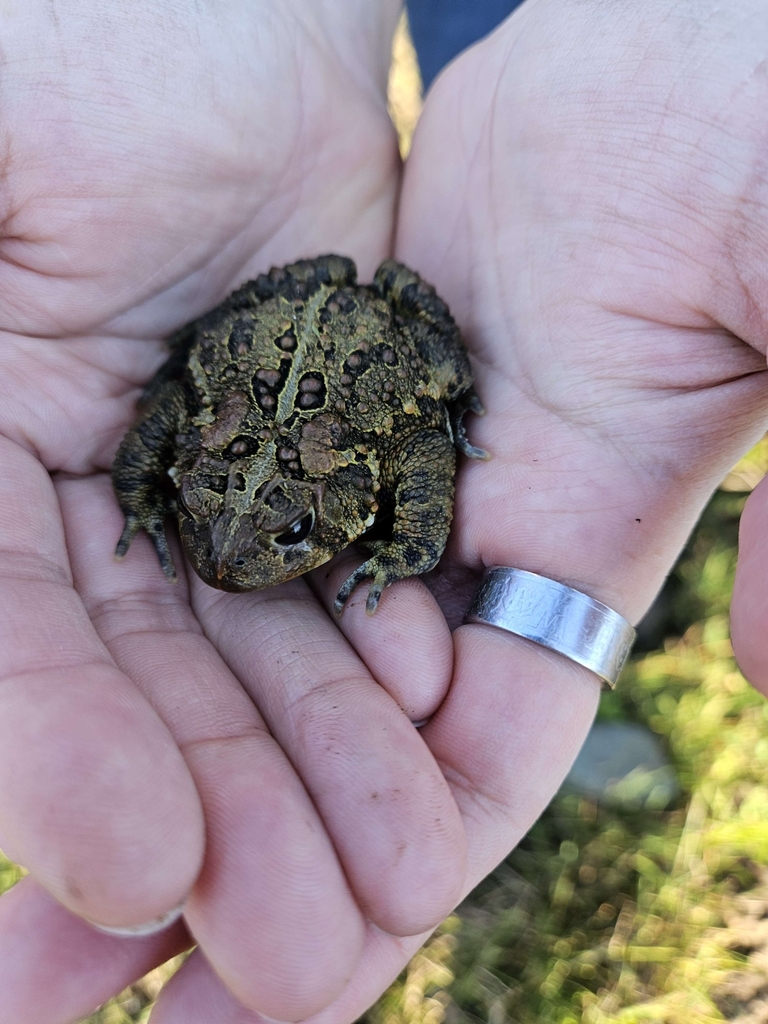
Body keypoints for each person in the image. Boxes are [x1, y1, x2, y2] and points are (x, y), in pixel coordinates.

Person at [1, 0, 768, 1020]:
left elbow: (414, 462)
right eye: (197, 507)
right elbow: (169, 417)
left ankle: (554, 638)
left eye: (278, 541)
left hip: (368, 341)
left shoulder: (363, 465)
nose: (230, 558)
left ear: (326, 506)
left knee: (440, 399)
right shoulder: (203, 443)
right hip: (274, 333)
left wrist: (407, 546)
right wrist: (150, 488)